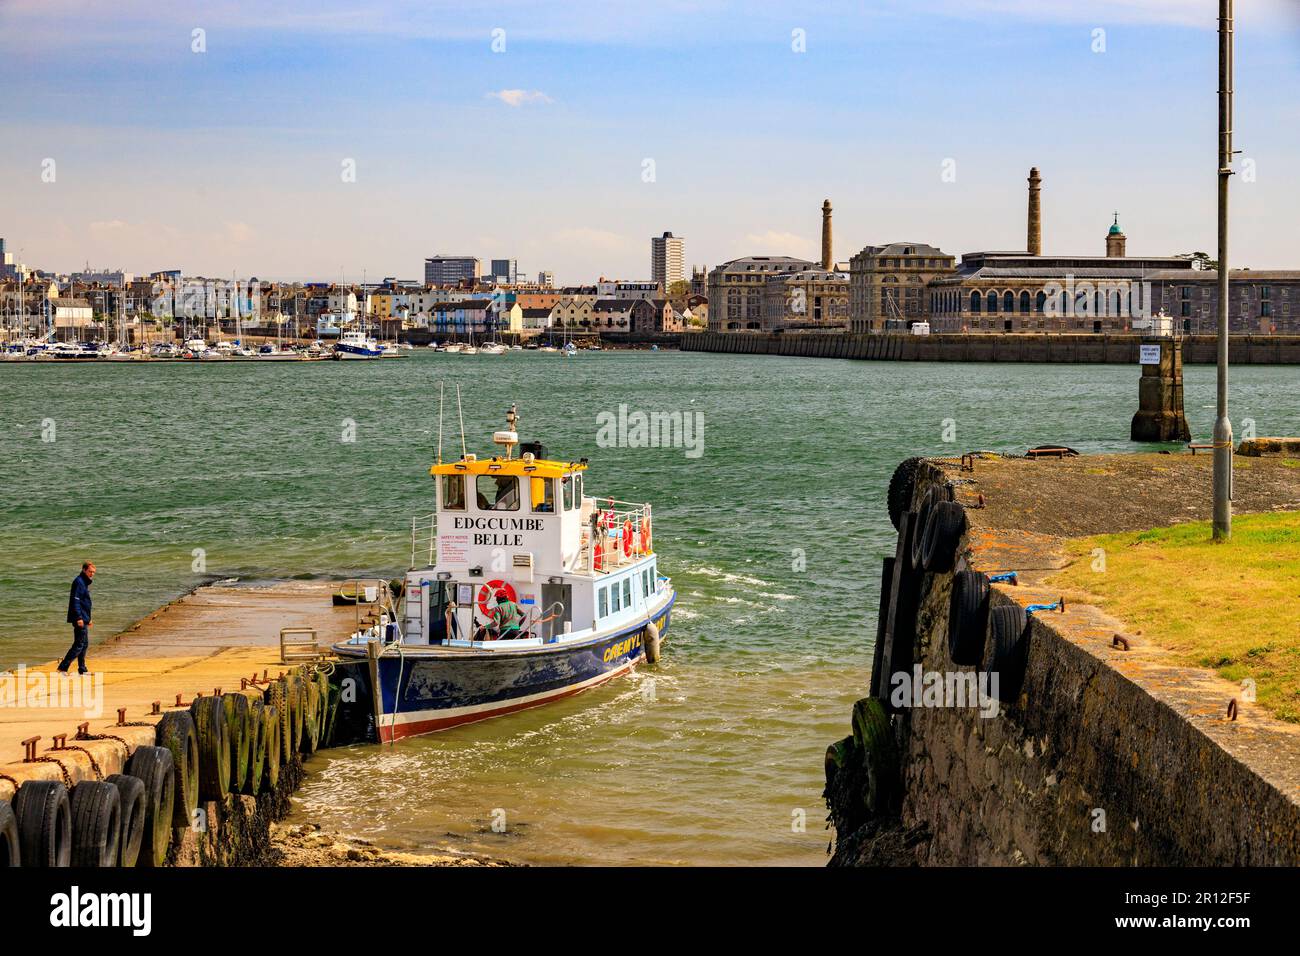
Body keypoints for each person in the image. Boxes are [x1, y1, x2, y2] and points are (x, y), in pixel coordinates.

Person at [58, 561, 95, 674]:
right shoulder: (79, 582)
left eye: (93, 572)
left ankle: (82, 669)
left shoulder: (83, 582)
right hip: (79, 618)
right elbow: (75, 602)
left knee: (84, 644)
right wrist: (79, 618)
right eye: (90, 571)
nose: (92, 574)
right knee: (79, 644)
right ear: (84, 570)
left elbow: (84, 604)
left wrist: (88, 618)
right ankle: (63, 668)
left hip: (84, 617)